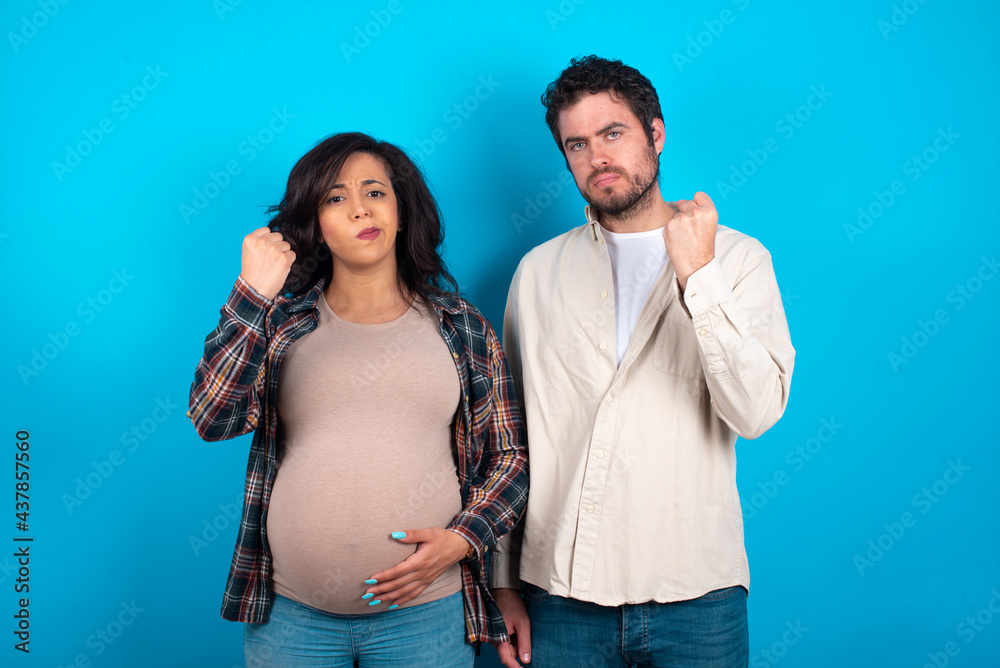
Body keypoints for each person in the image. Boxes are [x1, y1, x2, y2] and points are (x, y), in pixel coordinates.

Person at [490, 56, 796, 668]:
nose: (597, 156)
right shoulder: (536, 273)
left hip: (697, 595)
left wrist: (697, 277)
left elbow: (757, 411)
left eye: (613, 133)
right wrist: (502, 581)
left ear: (655, 134)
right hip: (560, 598)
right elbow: (510, 437)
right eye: (576, 144)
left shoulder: (737, 260)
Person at [187, 132, 528, 667]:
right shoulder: (277, 325)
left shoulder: (462, 328)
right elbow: (213, 418)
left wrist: (463, 539)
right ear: (315, 225)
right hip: (292, 618)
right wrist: (251, 296)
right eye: (335, 198)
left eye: (375, 192)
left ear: (400, 210)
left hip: (428, 617)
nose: (360, 209)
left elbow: (510, 460)